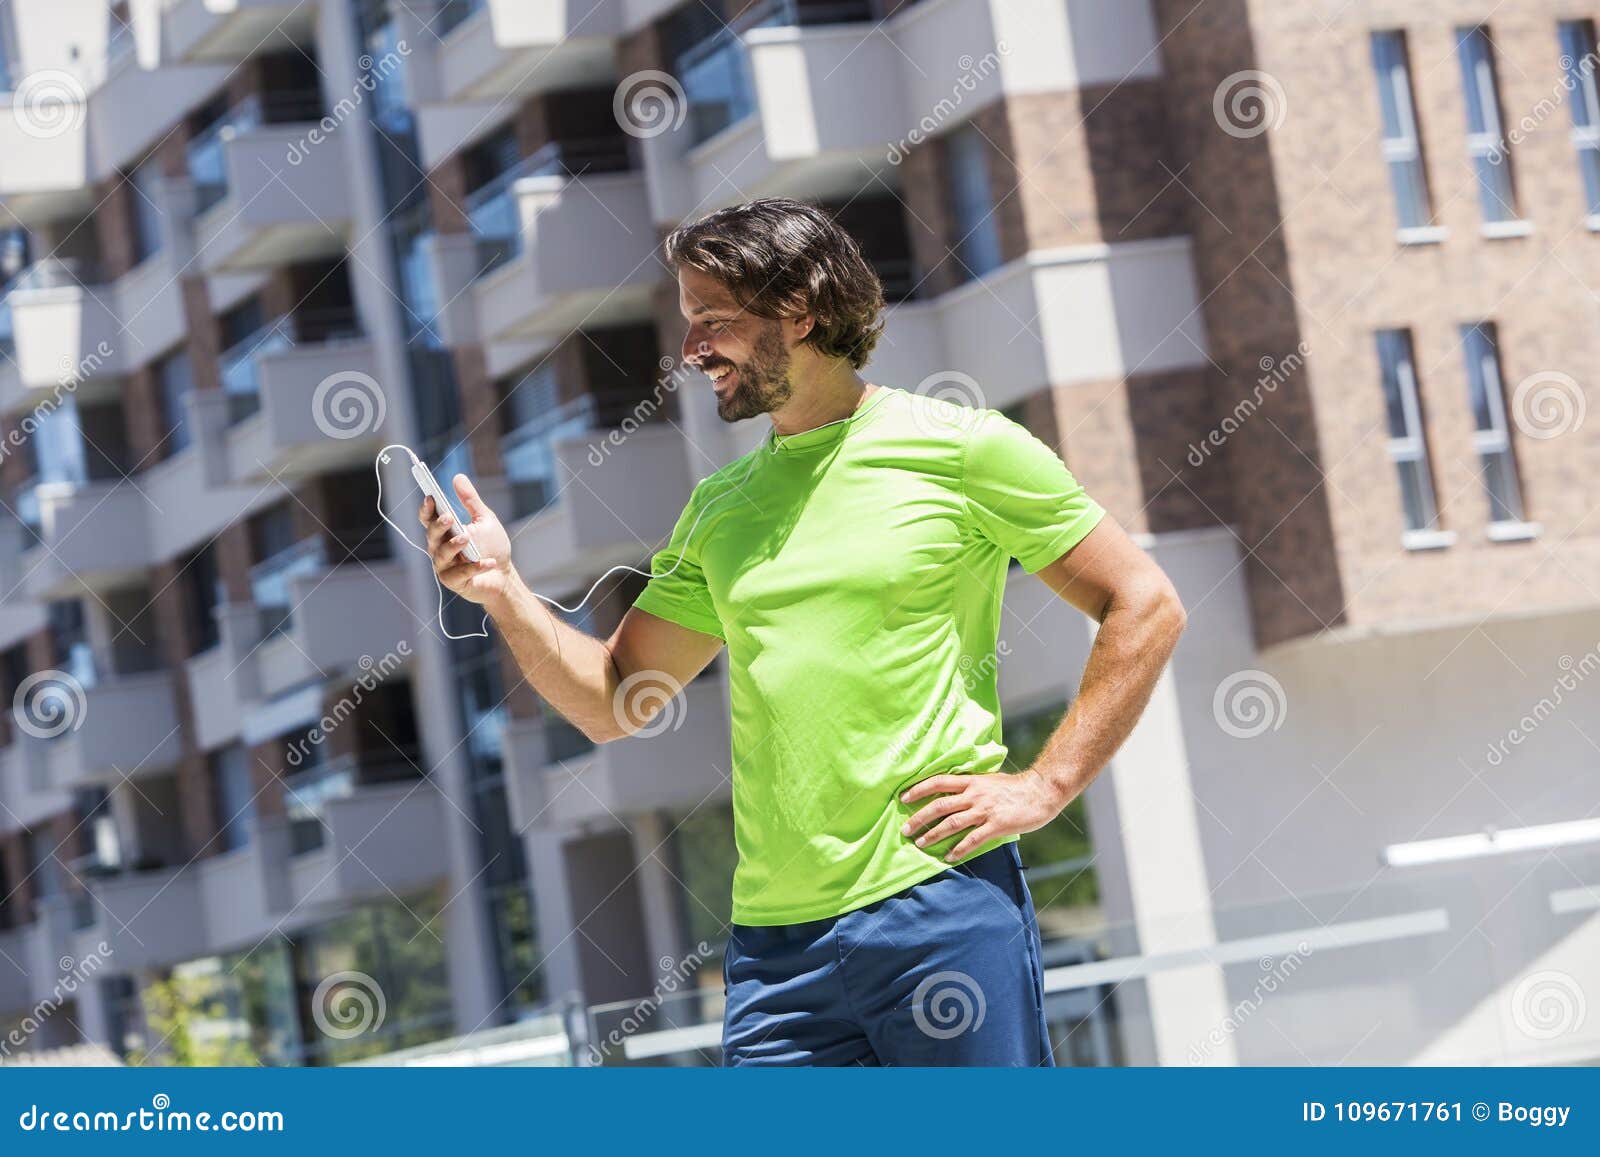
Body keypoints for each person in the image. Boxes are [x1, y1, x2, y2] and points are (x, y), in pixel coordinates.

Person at [420, 197, 1187, 1066]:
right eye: (688, 323)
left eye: (712, 320)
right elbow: (611, 701)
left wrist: (1045, 786)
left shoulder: (965, 450)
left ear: (802, 309)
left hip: (938, 905)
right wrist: (501, 590)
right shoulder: (721, 509)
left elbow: (1144, 600)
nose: (692, 350)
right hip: (776, 953)